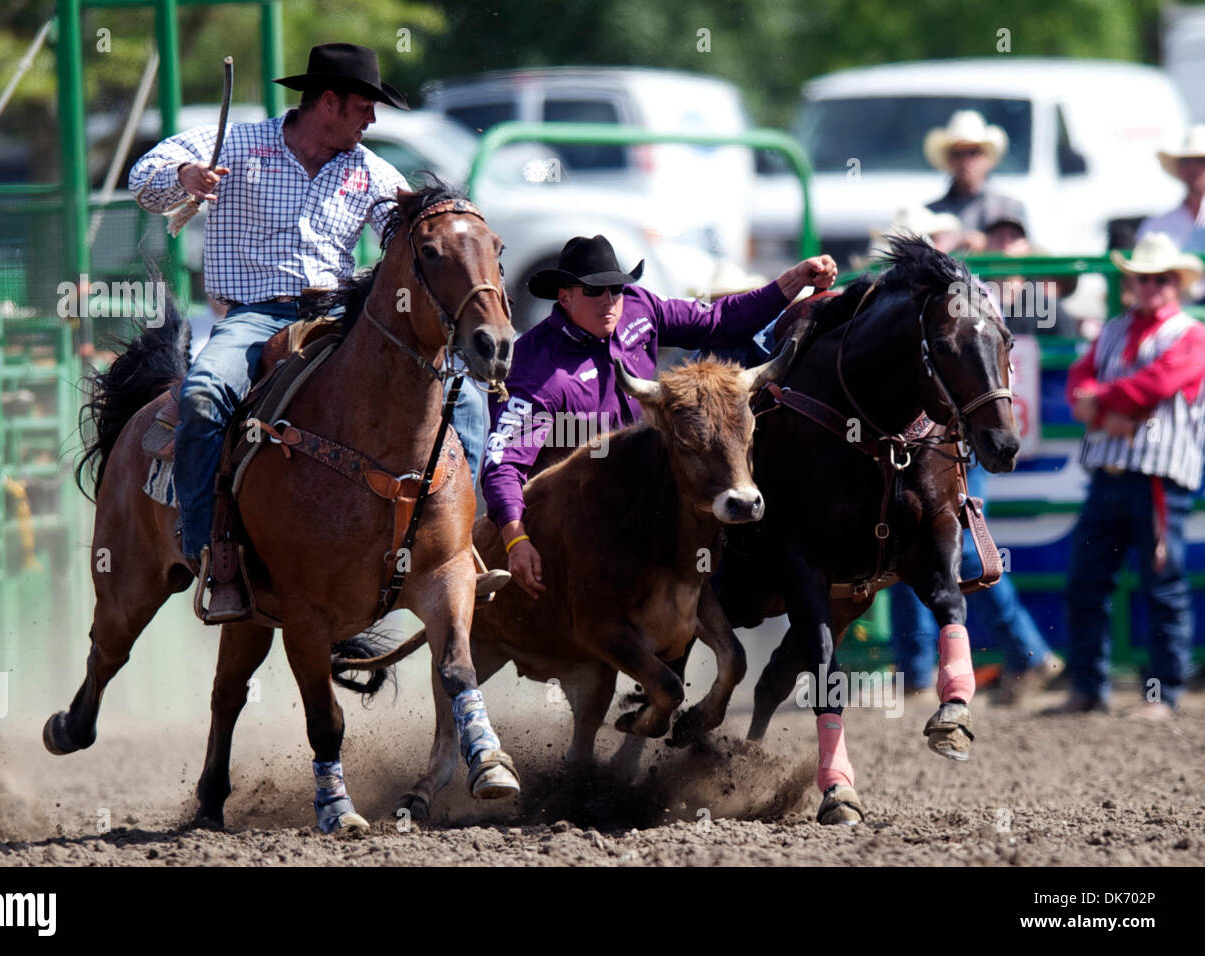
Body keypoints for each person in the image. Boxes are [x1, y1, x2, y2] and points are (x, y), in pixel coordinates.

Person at [129, 42, 497, 619]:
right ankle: (209, 548)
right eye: (363, 107)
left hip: (340, 318)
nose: (372, 119)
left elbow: (415, 233)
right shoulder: (238, 144)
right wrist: (186, 175)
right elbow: (143, 178)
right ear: (328, 101)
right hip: (253, 316)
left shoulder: (372, 172)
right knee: (203, 397)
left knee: (469, 402)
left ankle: (457, 543)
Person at [481, 234, 836, 598]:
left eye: (615, 288)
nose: (608, 301)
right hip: (582, 509)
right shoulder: (536, 372)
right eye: (593, 291)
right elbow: (502, 464)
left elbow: (720, 321)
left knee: (731, 357)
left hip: (650, 484)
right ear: (564, 297)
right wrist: (515, 538)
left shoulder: (638, 307)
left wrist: (793, 280)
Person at [1057, 232, 1205, 719]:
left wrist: (1097, 403)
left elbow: (1158, 382)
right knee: (1087, 580)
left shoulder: (1191, 332)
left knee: (1161, 583)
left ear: (1176, 283)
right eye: (1144, 277)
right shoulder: (1118, 330)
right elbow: (1083, 378)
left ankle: (1161, 693)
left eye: (1160, 278)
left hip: (1158, 475)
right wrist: (1107, 410)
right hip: (1112, 469)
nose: (1151, 286)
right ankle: (1089, 688)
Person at [886, 460, 1064, 705]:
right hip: (948, 450)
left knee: (937, 550)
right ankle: (1027, 655)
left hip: (943, 450)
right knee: (954, 550)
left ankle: (915, 676)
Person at [924, 111, 1028, 253]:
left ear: (987, 158)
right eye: (958, 153)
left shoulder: (1010, 209)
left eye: (973, 152)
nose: (965, 161)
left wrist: (990, 246)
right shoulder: (929, 214)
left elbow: (1025, 259)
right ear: (949, 159)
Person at [982, 214, 1079, 337]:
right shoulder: (969, 302)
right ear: (985, 246)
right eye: (998, 236)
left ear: (1027, 247)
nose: (1005, 242)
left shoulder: (1048, 307)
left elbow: (1069, 352)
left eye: (1014, 236)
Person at [1137, 125, 1205, 253]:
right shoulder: (1156, 226)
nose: (1195, 169)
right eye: (1188, 162)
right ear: (1180, 168)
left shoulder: (1156, 227)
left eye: (1202, 161)